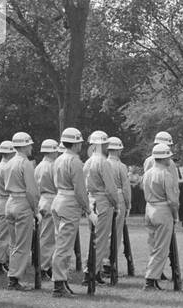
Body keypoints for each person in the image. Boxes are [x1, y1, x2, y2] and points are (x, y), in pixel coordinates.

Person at [51, 127, 92, 298]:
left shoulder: (59, 159)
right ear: (75, 144)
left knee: (61, 243)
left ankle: (62, 281)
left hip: (59, 200)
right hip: (69, 203)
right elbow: (80, 190)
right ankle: (59, 284)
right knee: (64, 246)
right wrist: (88, 210)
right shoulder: (75, 161)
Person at [2, 131, 40, 290]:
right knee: (22, 245)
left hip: (10, 201)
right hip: (23, 202)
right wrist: (35, 209)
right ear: (24, 146)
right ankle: (14, 278)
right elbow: (31, 191)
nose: (31, 147)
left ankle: (12, 274)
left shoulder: (9, 162)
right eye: (29, 144)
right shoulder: (26, 164)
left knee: (14, 243)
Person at [142, 141, 181, 289]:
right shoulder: (166, 174)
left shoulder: (147, 173)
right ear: (165, 159)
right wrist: (175, 215)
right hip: (162, 210)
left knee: (153, 245)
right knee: (161, 248)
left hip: (149, 208)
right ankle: (151, 279)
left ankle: (152, 277)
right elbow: (172, 200)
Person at [83, 131, 116, 285]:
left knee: (92, 238)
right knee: (100, 240)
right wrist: (115, 204)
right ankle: (92, 272)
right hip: (102, 200)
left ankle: (91, 271)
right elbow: (110, 188)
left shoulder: (88, 162)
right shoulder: (104, 162)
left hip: (91, 200)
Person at [33, 139, 60, 281]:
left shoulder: (38, 166)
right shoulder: (53, 166)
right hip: (51, 199)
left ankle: (44, 266)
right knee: (48, 238)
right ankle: (44, 267)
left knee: (44, 236)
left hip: (42, 200)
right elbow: (58, 185)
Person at [106, 137, 131, 275]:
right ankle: (110, 263)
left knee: (105, 232)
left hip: (104, 199)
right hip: (119, 198)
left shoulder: (103, 163)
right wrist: (128, 204)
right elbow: (126, 188)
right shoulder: (120, 166)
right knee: (116, 233)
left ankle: (104, 261)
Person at [0, 140, 15, 275]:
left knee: (1, 234)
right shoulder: (6, 168)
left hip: (1, 200)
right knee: (3, 236)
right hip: (5, 200)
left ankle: (1, 261)